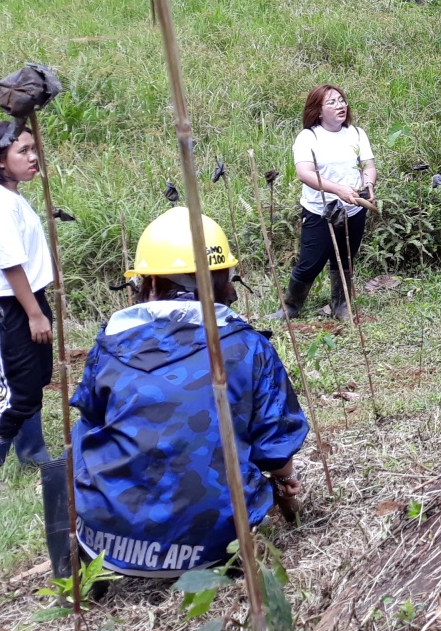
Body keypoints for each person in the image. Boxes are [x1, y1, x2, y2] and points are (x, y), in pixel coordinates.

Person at [71, 207, 308, 578]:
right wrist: (283, 482)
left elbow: (93, 418)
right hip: (217, 546)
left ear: (145, 282)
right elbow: (274, 444)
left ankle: (84, 554)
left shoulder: (109, 345)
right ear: (221, 278)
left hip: (111, 546)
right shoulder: (247, 346)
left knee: (86, 424)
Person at [0, 121, 54, 490]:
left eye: (34, 149)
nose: (33, 157)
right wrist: (33, 314)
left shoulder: (8, 195)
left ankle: (32, 453)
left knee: (36, 381)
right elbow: (9, 264)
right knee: (18, 391)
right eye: (23, 151)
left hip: (29, 298)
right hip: (8, 308)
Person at [273, 85, 375, 321]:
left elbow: (368, 166)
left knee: (346, 257)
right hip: (320, 210)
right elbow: (304, 173)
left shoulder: (356, 134)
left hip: (354, 208)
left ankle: (341, 306)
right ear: (318, 110)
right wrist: (338, 189)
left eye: (342, 100)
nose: (340, 106)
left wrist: (368, 185)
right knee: (311, 260)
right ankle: (290, 306)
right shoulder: (309, 137)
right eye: (331, 102)